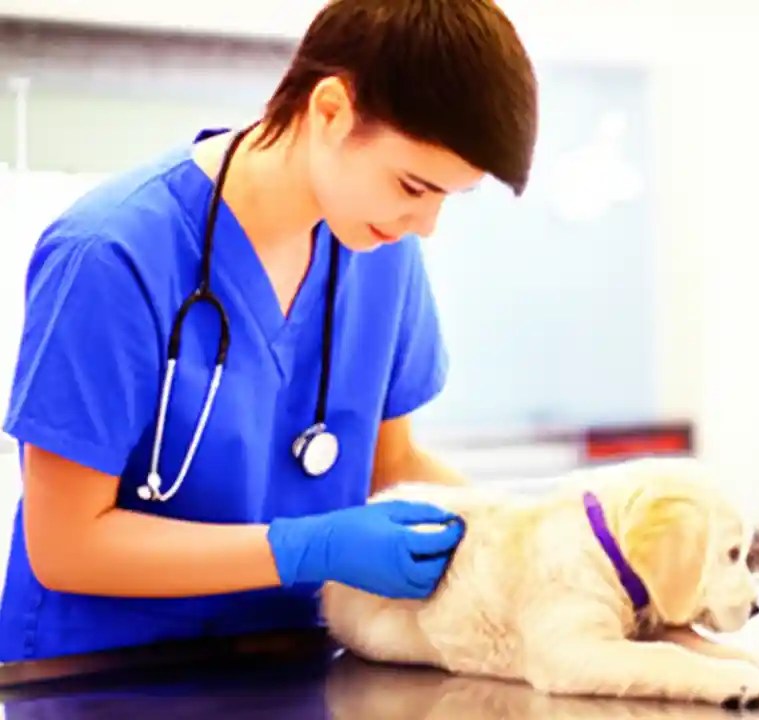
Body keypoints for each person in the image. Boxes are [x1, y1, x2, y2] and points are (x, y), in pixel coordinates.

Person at [0, 0, 538, 661]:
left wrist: (528, 542)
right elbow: (66, 546)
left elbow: (389, 466)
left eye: (446, 198)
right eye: (412, 185)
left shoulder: (379, 251)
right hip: (101, 679)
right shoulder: (111, 255)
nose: (424, 224)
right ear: (331, 111)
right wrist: (304, 547)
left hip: (288, 663)